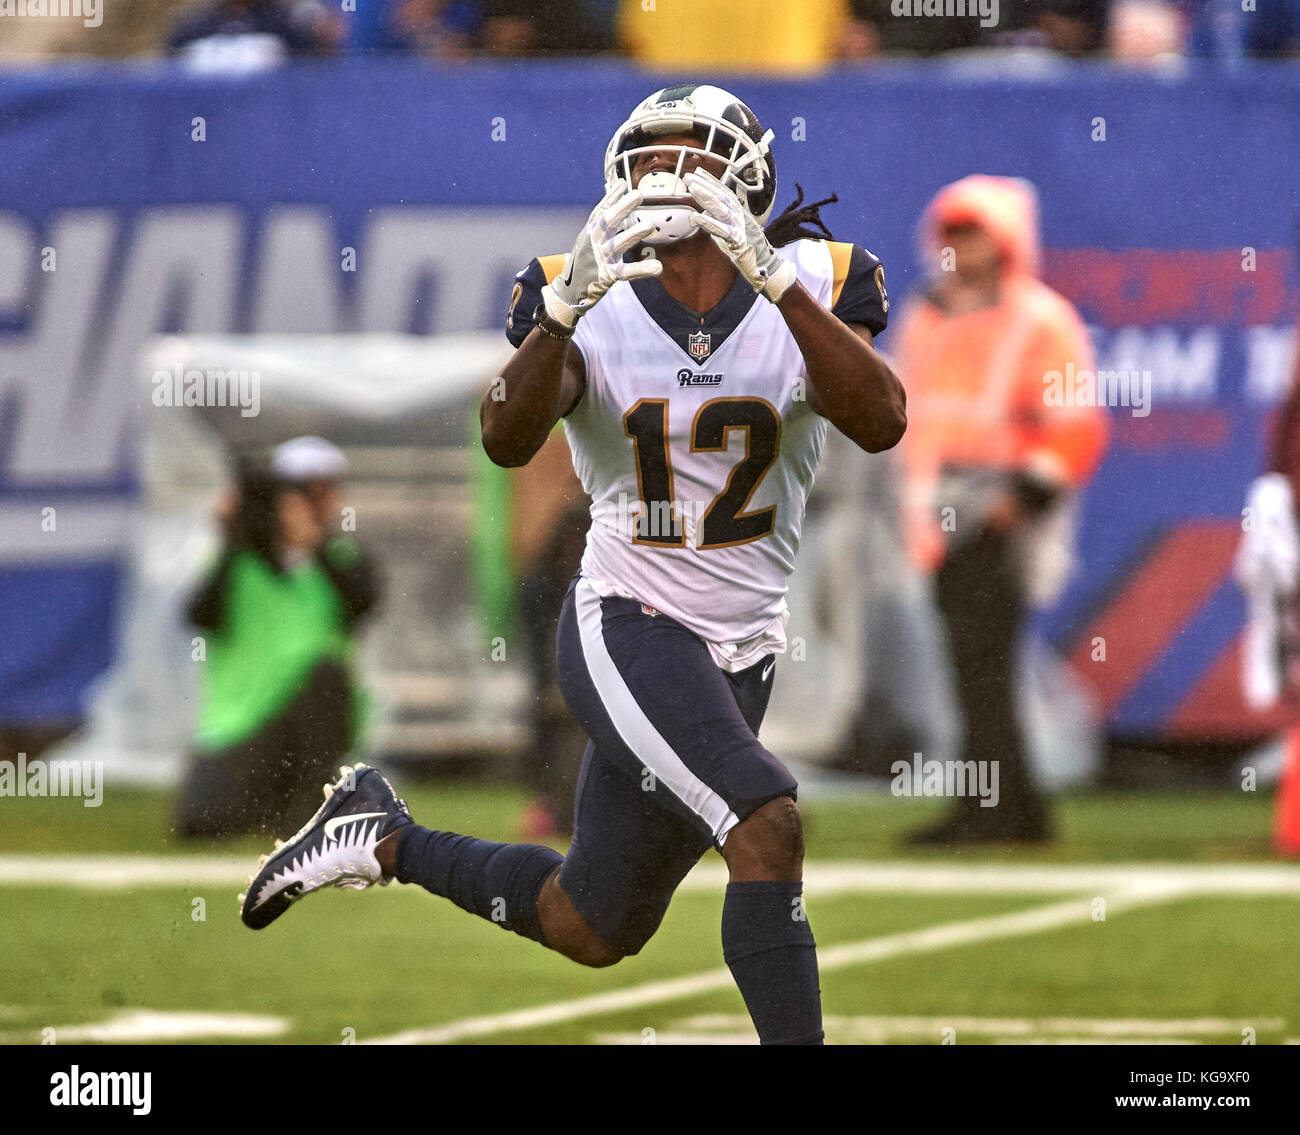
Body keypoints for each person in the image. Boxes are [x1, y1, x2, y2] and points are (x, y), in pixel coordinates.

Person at [238, 84, 903, 1046]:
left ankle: (379, 837)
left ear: (747, 174)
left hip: (743, 646)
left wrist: (776, 282)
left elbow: (880, 420)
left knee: (589, 923)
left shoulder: (823, 275)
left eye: (695, 157)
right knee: (766, 822)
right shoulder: (579, 290)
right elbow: (506, 440)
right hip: (626, 620)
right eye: (653, 158)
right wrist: (557, 314)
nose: (670, 178)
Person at [897, 175, 1108, 845]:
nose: (960, 246)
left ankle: (994, 810)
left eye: (974, 232)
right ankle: (1008, 807)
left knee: (986, 663)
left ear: (1006, 241)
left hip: (999, 505)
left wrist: (1017, 505)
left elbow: (1075, 424)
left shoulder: (1040, 318)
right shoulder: (928, 312)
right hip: (937, 507)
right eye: (951, 231)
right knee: (970, 666)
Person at [175, 437, 380, 838]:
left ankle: (309, 810)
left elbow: (363, 605)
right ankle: (280, 809)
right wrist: (233, 535)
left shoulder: (339, 558)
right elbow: (199, 615)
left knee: (324, 675)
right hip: (241, 721)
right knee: (202, 823)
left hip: (311, 719)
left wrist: (314, 546)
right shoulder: (237, 562)